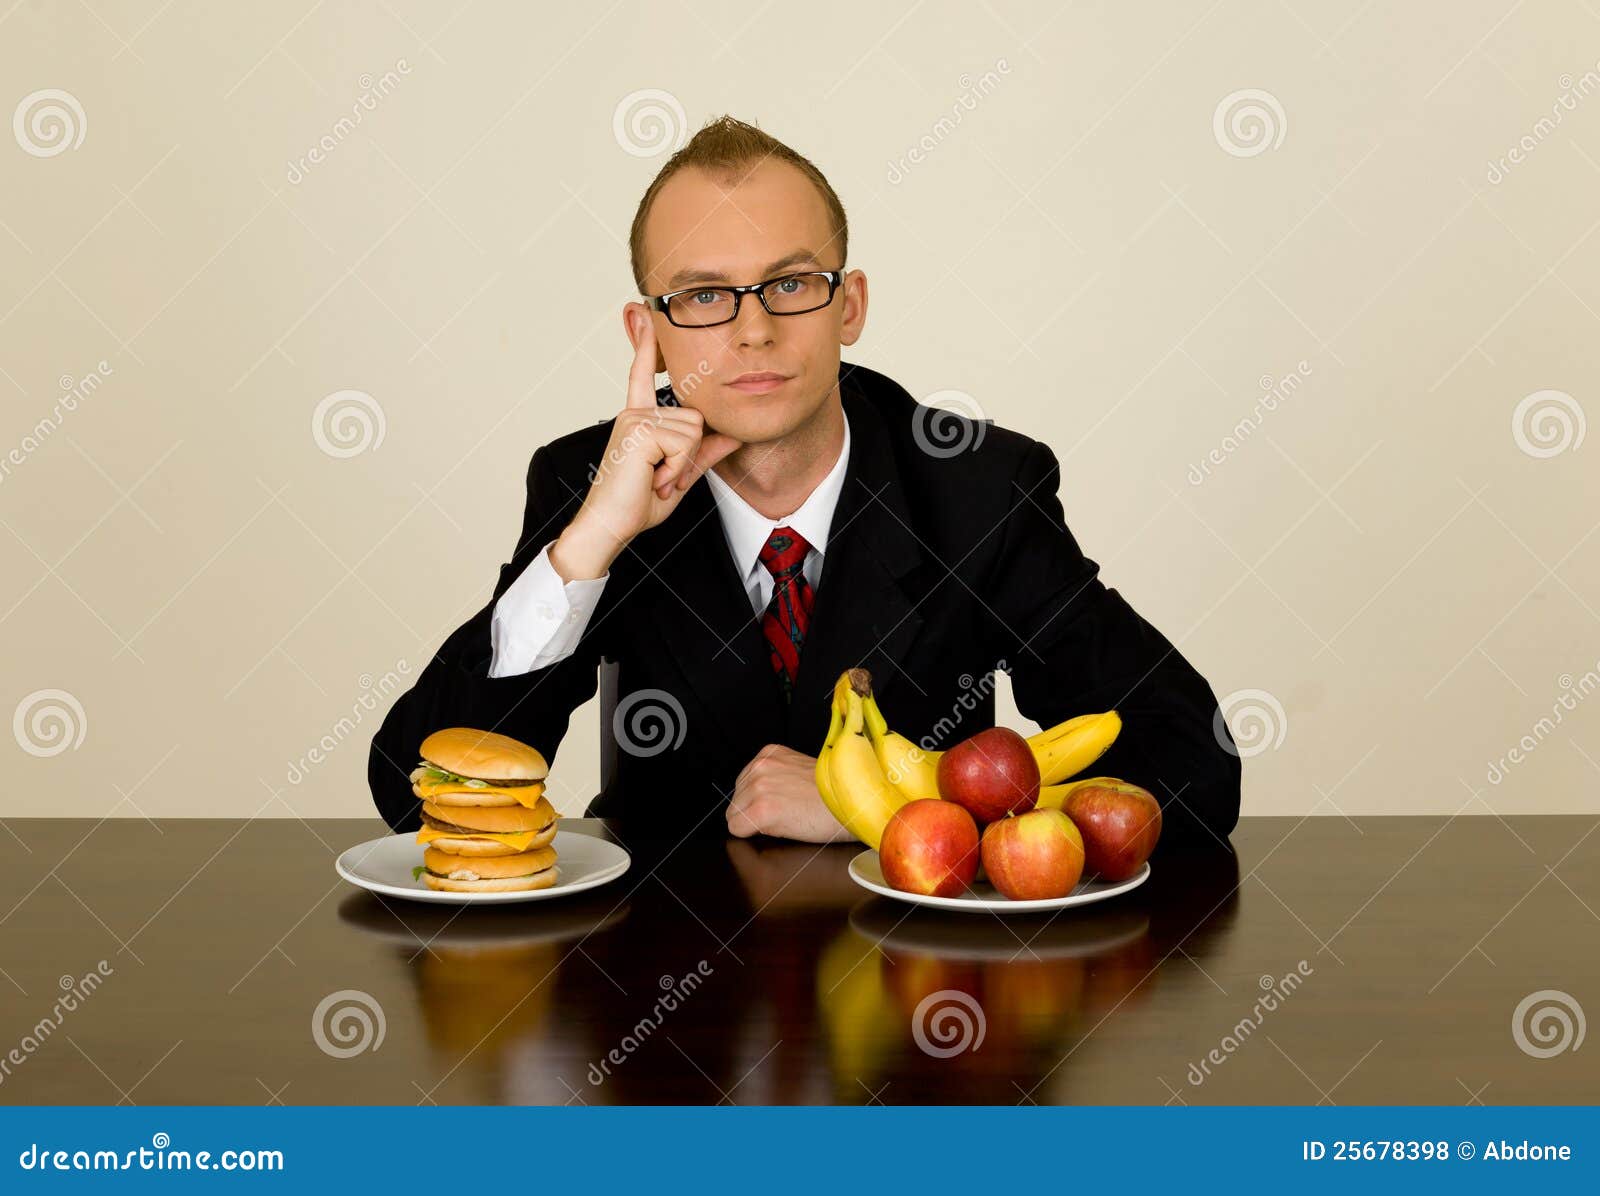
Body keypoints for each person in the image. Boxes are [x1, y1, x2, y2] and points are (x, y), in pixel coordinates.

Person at [368, 115, 1241, 844]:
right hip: (659, 1003)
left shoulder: (980, 486)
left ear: (849, 306)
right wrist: (590, 547)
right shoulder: (593, 485)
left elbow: (1197, 767)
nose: (752, 332)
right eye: (704, 297)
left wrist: (891, 809)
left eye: (789, 283)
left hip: (928, 1005)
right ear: (648, 332)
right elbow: (414, 794)